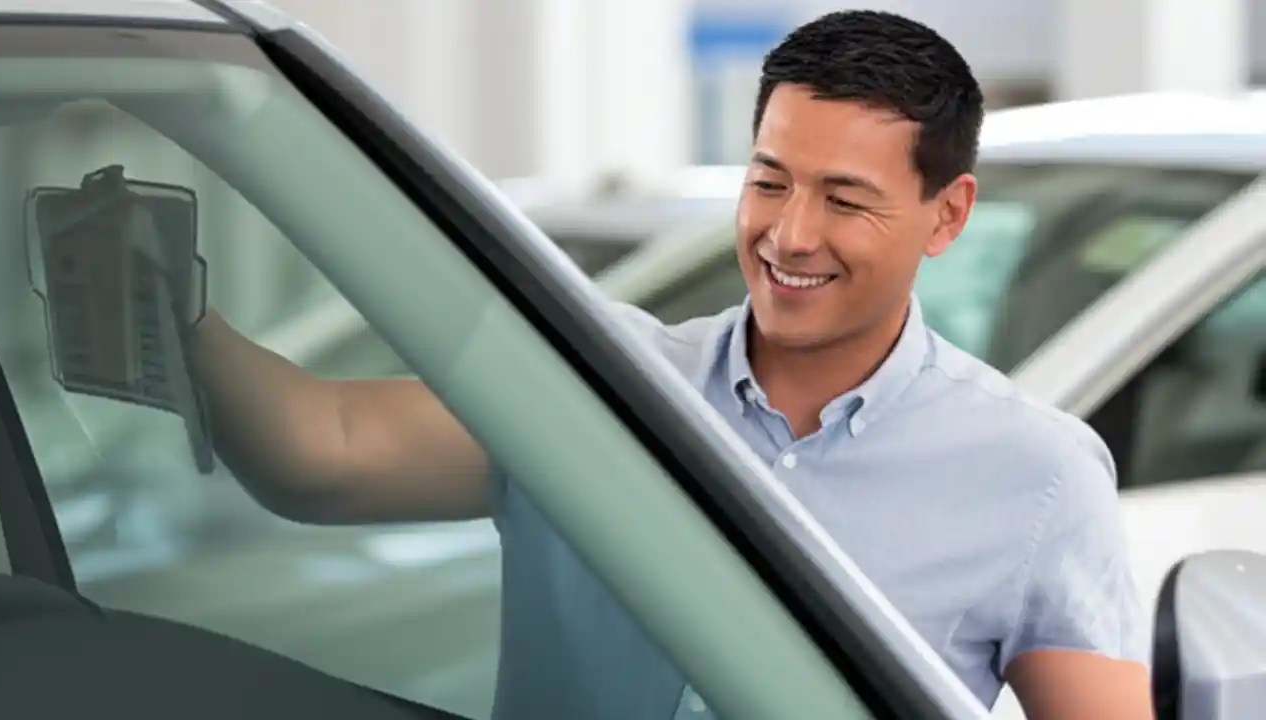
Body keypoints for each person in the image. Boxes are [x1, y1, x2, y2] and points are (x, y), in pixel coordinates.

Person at [191, 10, 1152, 719]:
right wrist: (175, 310)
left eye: (845, 200)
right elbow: (318, 450)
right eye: (769, 180)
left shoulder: (1038, 475)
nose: (790, 233)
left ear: (948, 214)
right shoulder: (591, 381)